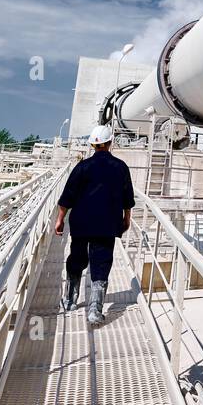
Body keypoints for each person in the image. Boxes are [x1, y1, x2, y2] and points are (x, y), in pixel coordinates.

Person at [54, 124, 135, 326]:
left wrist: (60, 219)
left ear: (92, 144)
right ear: (110, 143)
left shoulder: (82, 167)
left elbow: (67, 196)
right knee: (101, 263)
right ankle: (95, 310)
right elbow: (127, 198)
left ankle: (70, 300)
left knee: (77, 258)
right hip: (107, 224)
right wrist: (126, 219)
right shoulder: (121, 167)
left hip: (81, 222)